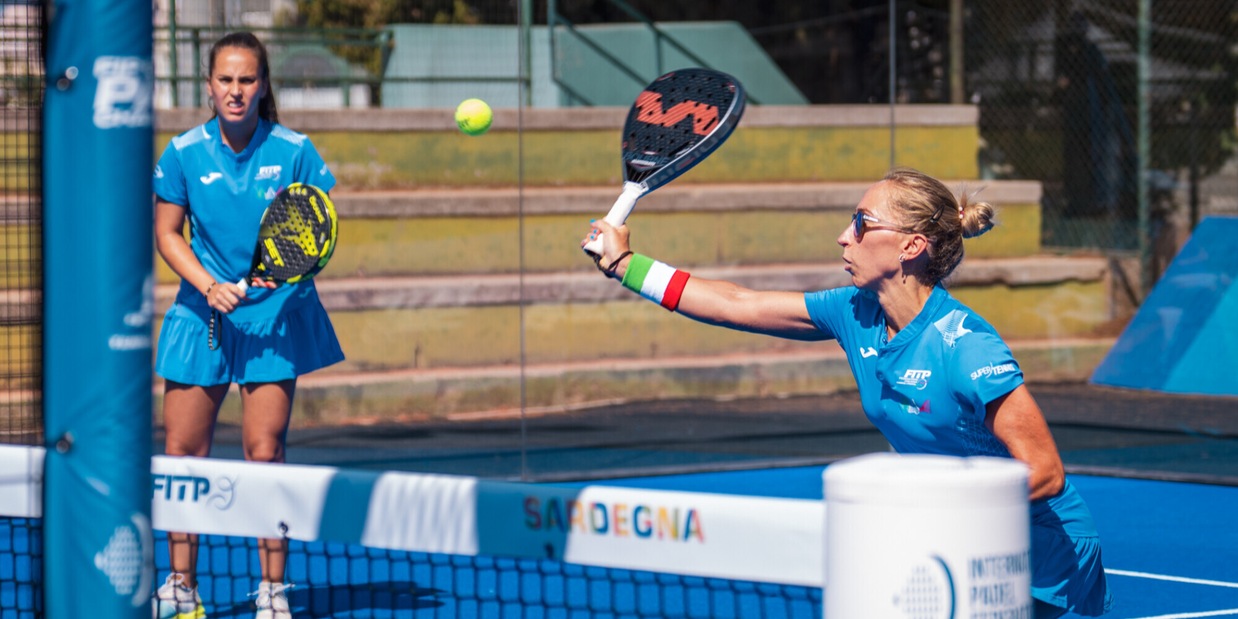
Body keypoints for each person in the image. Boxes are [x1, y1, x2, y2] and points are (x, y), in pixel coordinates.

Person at [582, 167, 1113, 618]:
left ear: (911, 246)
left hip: (1044, 555)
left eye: (862, 223)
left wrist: (932, 510)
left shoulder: (965, 347)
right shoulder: (854, 312)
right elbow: (737, 303)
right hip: (963, 534)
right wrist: (628, 266)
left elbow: (1045, 471)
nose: (844, 235)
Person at [151, 31, 343, 619]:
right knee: (185, 458)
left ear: (263, 87)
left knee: (266, 455)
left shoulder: (294, 150)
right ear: (209, 87)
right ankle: (181, 586)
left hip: (273, 320)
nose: (236, 91)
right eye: (226, 80)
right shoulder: (182, 152)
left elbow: (312, 232)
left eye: (248, 80)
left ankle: (272, 592)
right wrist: (209, 286)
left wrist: (273, 284)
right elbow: (167, 233)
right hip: (199, 316)